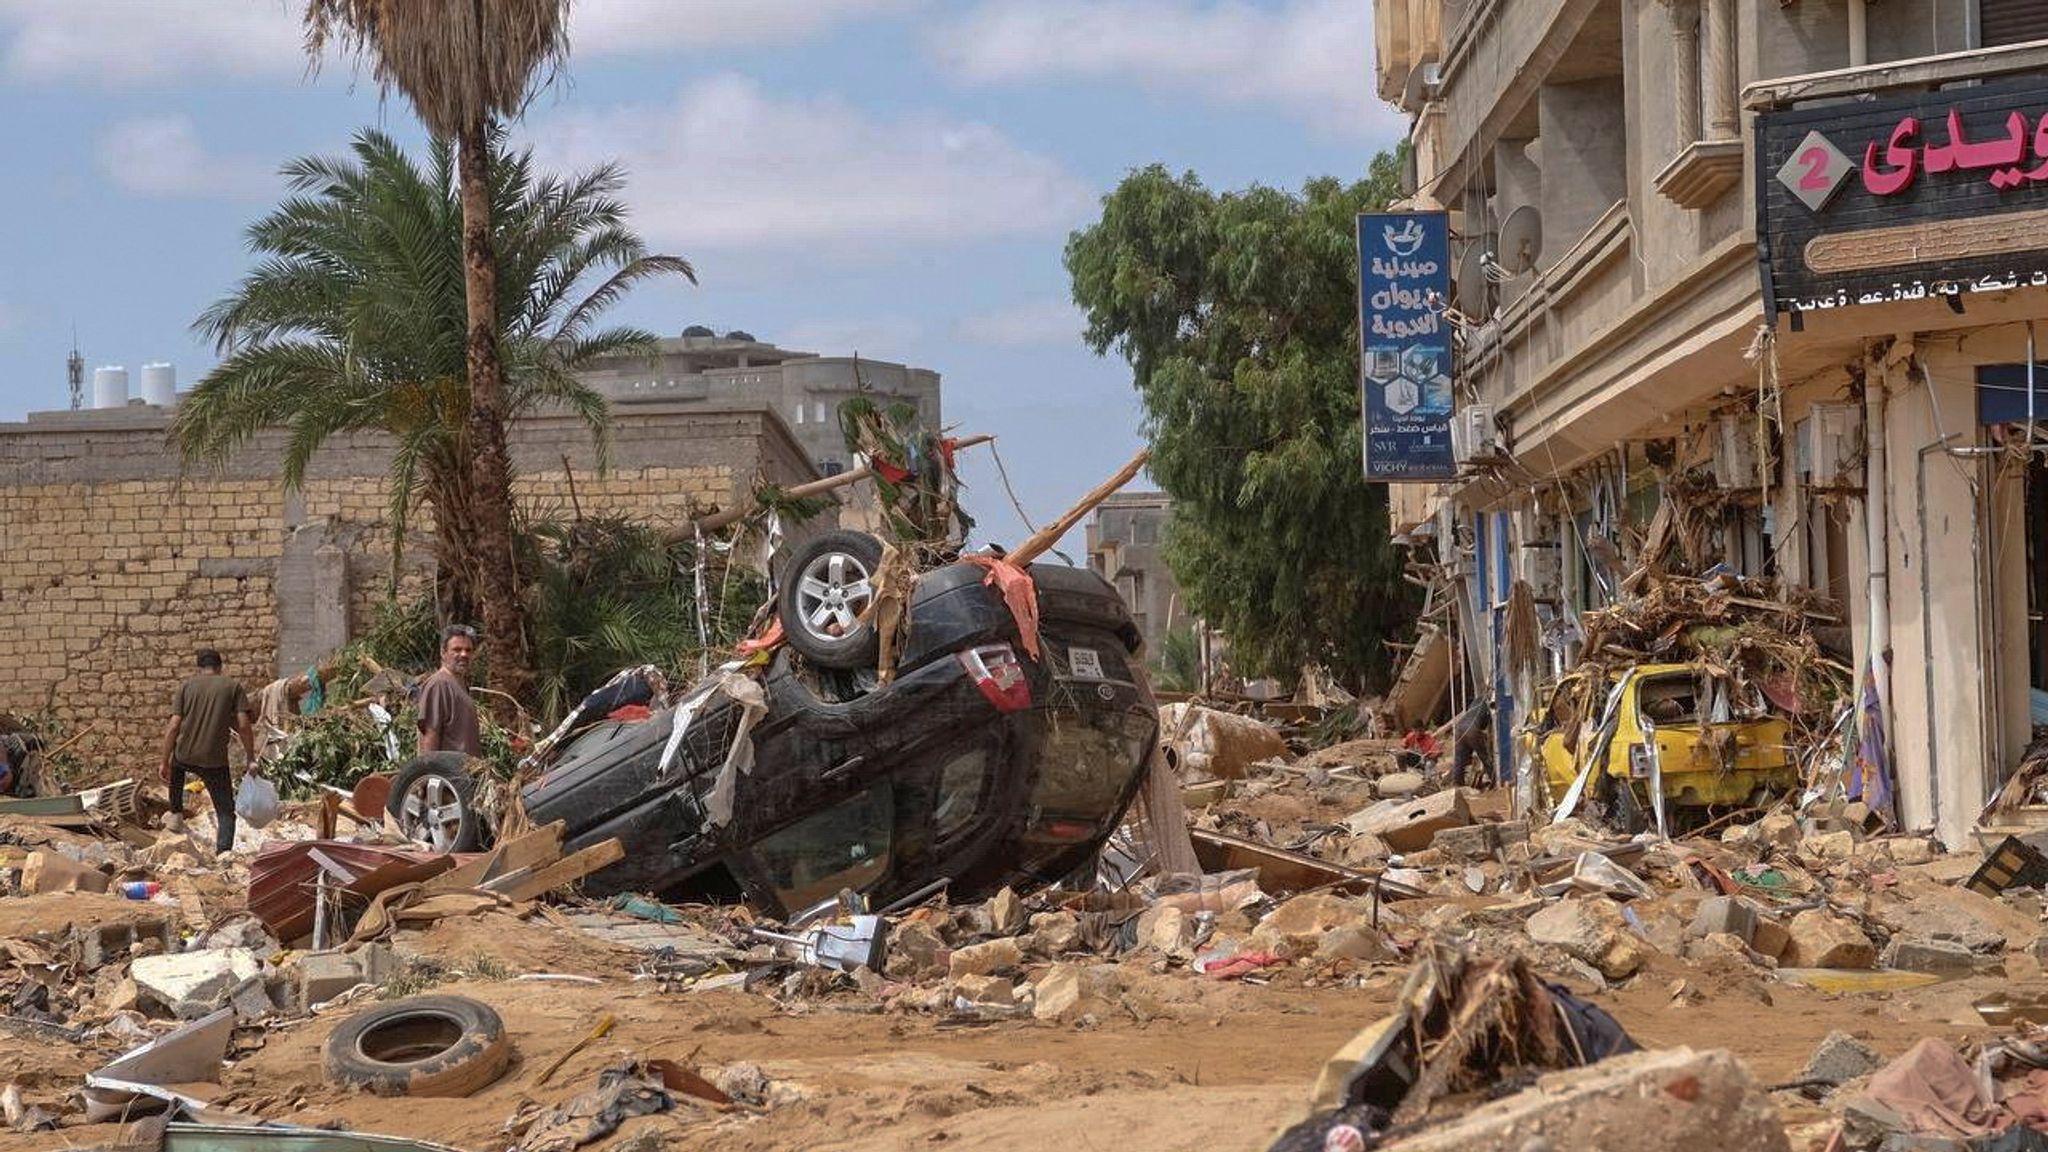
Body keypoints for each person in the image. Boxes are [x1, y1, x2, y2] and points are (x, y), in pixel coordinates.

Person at [159, 648, 254, 855]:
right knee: (226, 811)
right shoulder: (233, 686)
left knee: (177, 766)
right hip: (214, 760)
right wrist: (251, 758)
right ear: (220, 667)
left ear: (199, 667)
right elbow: (244, 725)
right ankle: (224, 853)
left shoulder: (186, 687)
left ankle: (175, 814)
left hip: (185, 754)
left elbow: (174, 726)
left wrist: (163, 761)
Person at [418, 625, 482, 757]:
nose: (464, 654)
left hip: (465, 773)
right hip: (448, 774)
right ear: (443, 652)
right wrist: (431, 774)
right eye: (457, 649)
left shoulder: (460, 684)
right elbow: (431, 734)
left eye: (468, 650)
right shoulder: (439, 685)